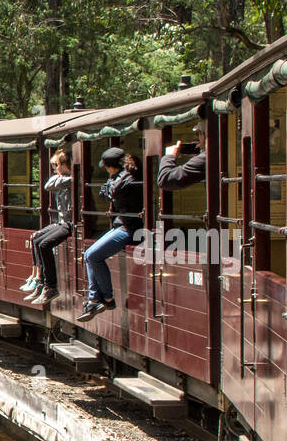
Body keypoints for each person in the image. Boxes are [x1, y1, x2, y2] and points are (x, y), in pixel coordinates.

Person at [78, 147, 142, 322]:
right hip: (121, 225)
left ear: (111, 167)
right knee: (89, 254)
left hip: (130, 228)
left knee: (93, 255)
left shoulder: (127, 178)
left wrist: (110, 185)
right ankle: (94, 299)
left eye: (106, 168)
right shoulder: (122, 176)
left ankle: (106, 298)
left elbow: (111, 193)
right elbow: (105, 194)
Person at [24, 150, 73, 307]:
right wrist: (60, 178)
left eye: (56, 165)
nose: (54, 169)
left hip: (70, 223)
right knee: (36, 238)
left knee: (45, 245)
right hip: (61, 221)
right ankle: (39, 280)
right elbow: (48, 185)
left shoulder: (72, 180)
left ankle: (50, 286)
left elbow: (51, 184)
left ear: (65, 165)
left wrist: (61, 179)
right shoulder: (63, 179)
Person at [156, 121, 207, 189]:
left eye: (198, 134)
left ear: (203, 135)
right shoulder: (208, 156)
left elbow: (165, 180)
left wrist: (169, 156)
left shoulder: (205, 158)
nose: (198, 138)